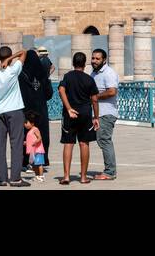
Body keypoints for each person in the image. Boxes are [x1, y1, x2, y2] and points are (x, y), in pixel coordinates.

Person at [0, 46, 29, 187]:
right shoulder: (13, 70)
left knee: (0, 145)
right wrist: (10, 59)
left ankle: (3, 178)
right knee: (16, 144)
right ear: (10, 57)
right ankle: (15, 178)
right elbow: (24, 52)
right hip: (15, 110)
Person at [58, 51, 99, 185]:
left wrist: (69, 108)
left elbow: (61, 90)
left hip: (70, 115)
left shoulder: (68, 77)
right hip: (85, 114)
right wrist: (96, 117)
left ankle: (66, 177)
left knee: (68, 144)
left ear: (73, 63)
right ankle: (83, 177)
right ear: (85, 63)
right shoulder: (89, 79)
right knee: (84, 143)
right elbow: (94, 100)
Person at [19, 45, 54, 174]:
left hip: (26, 111)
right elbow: (49, 94)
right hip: (41, 111)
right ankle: (40, 161)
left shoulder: (21, 75)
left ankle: (25, 162)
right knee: (42, 135)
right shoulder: (42, 75)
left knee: (26, 136)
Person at [90, 48, 119, 181]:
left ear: (104, 60)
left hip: (106, 113)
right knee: (102, 140)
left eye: (97, 59)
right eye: (93, 58)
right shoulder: (94, 73)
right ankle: (109, 170)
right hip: (98, 113)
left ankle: (110, 172)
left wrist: (95, 97)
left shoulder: (109, 73)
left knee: (104, 140)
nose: (94, 61)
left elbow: (112, 91)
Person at [23, 111, 46, 183]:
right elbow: (30, 140)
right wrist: (26, 143)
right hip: (33, 151)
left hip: (38, 150)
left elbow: (39, 138)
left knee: (39, 163)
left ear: (32, 123)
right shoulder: (30, 131)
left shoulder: (35, 129)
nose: (25, 124)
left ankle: (41, 176)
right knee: (35, 164)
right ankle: (37, 176)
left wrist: (35, 142)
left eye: (26, 123)